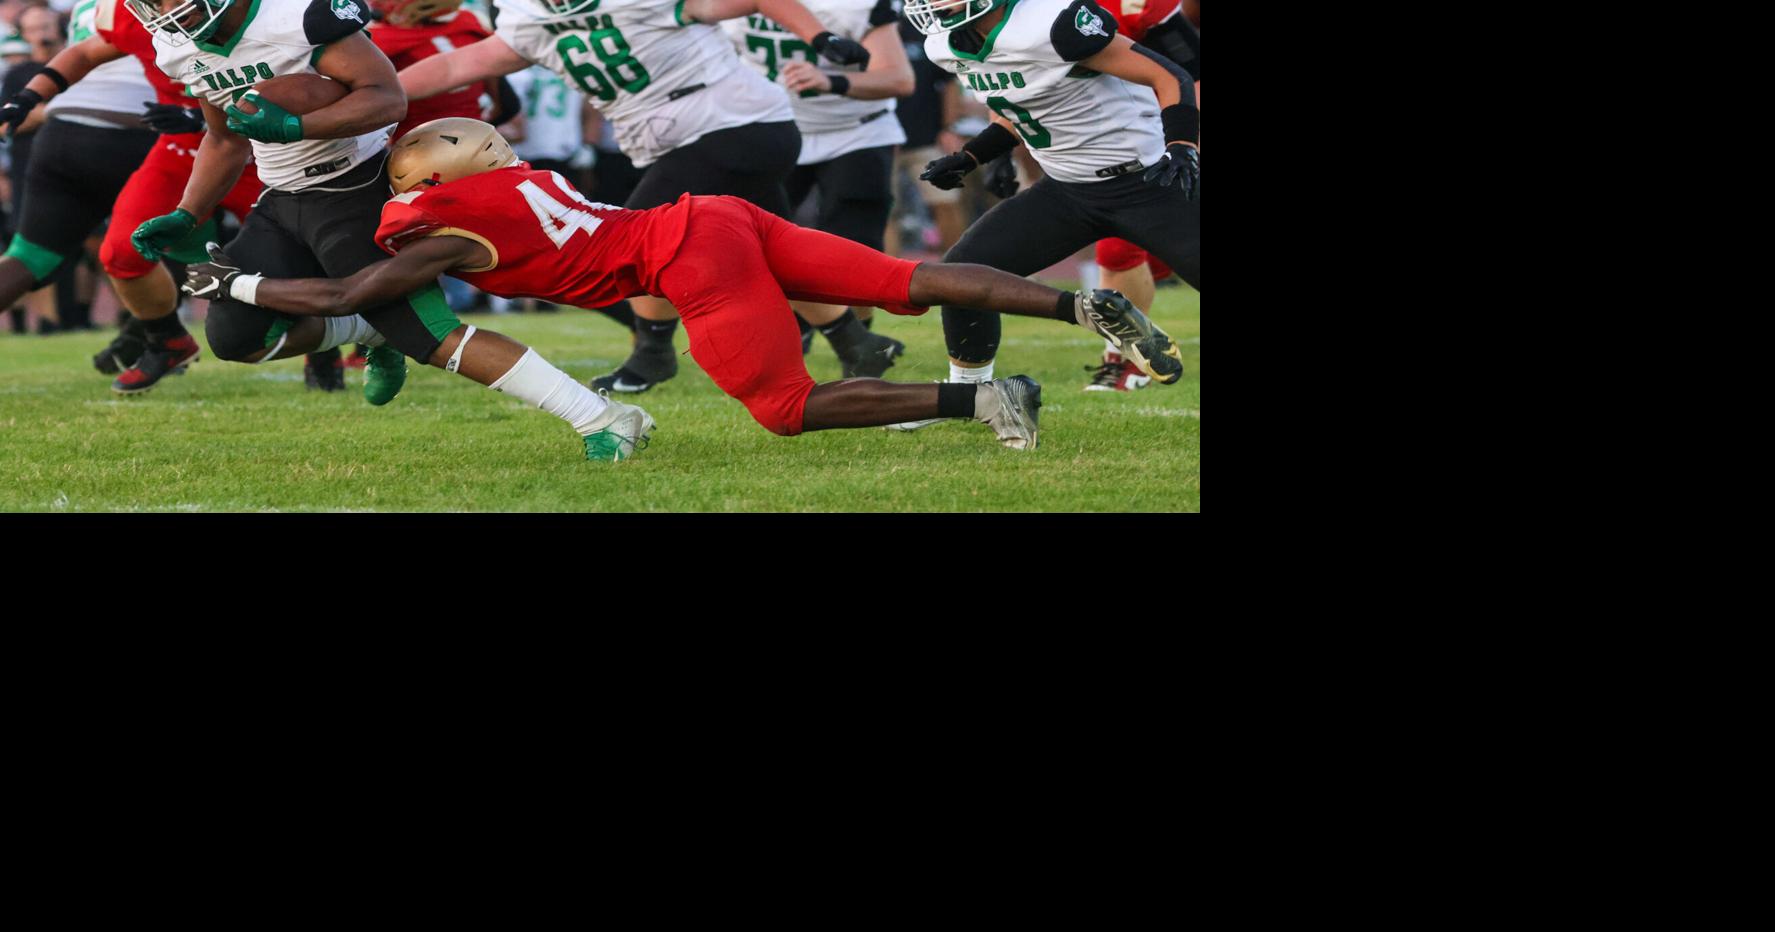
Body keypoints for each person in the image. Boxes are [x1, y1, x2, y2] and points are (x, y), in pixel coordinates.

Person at [182, 118, 1186, 455]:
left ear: (433, 182)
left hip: (683, 262)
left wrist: (243, 278)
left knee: (782, 408)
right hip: (712, 216)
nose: (394, 191)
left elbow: (353, 288)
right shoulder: (514, 173)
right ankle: (1076, 303)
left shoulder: (443, 224)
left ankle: (986, 396)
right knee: (901, 275)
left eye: (403, 180)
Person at [395, 0, 873, 395]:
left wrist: (819, 38)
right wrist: (381, 92)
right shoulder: (528, 17)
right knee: (775, 253)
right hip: (685, 134)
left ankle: (652, 353)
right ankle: (854, 340)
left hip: (730, 119)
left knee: (636, 237)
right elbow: (462, 63)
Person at [889, 0, 1198, 429]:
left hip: (1148, 182)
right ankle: (973, 393)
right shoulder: (946, 42)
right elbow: (1027, 104)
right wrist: (973, 156)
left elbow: (1170, 75)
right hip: (1067, 190)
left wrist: (1183, 145)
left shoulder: (1052, 21)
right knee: (962, 274)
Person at [1, 0, 269, 392]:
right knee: (136, 249)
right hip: (168, 142)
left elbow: (295, 74)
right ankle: (160, 334)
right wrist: (29, 95)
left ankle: (329, 345)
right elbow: (89, 50)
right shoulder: (130, 15)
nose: (162, 11)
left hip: (258, 143)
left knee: (291, 260)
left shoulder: (269, 14)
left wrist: (202, 116)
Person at [724, 0, 914, 379]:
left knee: (854, 245)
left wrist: (833, 81)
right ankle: (794, 327)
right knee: (749, 240)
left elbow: (899, 78)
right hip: (776, 127)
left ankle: (861, 350)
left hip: (855, 130)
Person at [0, 0, 156, 342]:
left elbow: (83, 55)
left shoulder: (89, 7)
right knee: (193, 239)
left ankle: (156, 336)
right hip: (135, 127)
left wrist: (30, 97)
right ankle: (164, 336)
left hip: (63, 130)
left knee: (29, 256)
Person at [1079, 0, 1196, 391]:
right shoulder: (1017, 14)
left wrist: (1188, 140)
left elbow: (1191, 68)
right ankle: (1127, 357)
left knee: (1135, 246)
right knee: (1121, 248)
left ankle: (1127, 355)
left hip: (1164, 126)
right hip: (1096, 140)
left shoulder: (1135, 5)